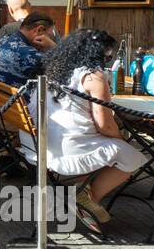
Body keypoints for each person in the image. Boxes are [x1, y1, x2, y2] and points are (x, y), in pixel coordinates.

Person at [38, 28, 148, 232]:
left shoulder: (57, 67)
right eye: (108, 54)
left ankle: (84, 191)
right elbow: (104, 124)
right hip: (70, 147)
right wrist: (121, 138)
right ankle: (87, 198)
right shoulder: (95, 77)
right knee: (131, 155)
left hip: (45, 143)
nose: (109, 58)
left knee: (105, 143)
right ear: (99, 53)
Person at [0, 12, 57, 86]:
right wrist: (54, 47)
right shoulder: (31, 56)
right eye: (49, 36)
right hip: (11, 97)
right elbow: (65, 73)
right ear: (39, 30)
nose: (50, 40)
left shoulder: (5, 38)